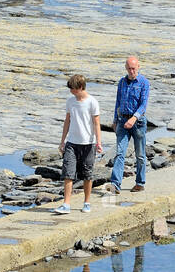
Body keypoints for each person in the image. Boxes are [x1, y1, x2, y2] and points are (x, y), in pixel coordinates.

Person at [53, 74, 102, 214]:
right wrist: (62, 141)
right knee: (68, 173)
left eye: (73, 89)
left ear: (80, 87)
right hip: (72, 143)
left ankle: (87, 202)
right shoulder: (70, 102)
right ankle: (66, 204)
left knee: (87, 174)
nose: (71, 92)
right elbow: (67, 121)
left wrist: (99, 142)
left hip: (88, 144)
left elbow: (96, 123)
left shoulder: (92, 102)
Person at [108, 55, 149, 193]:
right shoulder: (122, 82)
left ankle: (140, 182)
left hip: (138, 123)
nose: (131, 71)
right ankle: (115, 184)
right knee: (120, 153)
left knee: (140, 155)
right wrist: (115, 120)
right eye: (129, 68)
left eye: (134, 68)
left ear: (138, 67)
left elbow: (143, 104)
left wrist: (134, 118)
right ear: (126, 68)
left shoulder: (144, 82)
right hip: (122, 121)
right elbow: (118, 102)